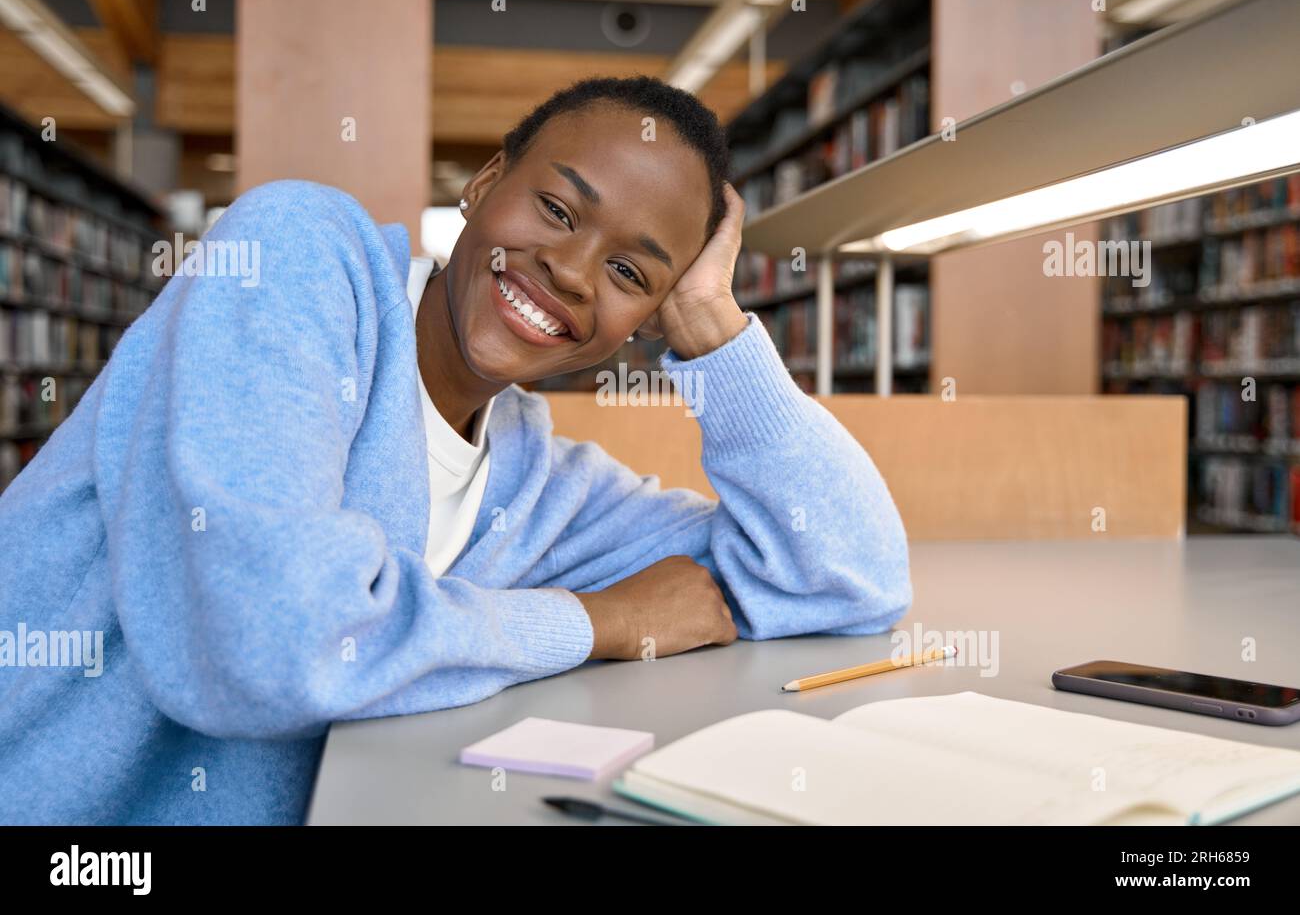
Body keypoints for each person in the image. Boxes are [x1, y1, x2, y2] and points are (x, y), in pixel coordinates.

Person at [0, 76, 911, 824]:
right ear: (484, 183)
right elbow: (265, 643)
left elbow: (846, 578)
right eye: (557, 207)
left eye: (632, 273)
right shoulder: (298, 252)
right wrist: (594, 621)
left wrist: (712, 320)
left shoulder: (540, 485)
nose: (572, 270)